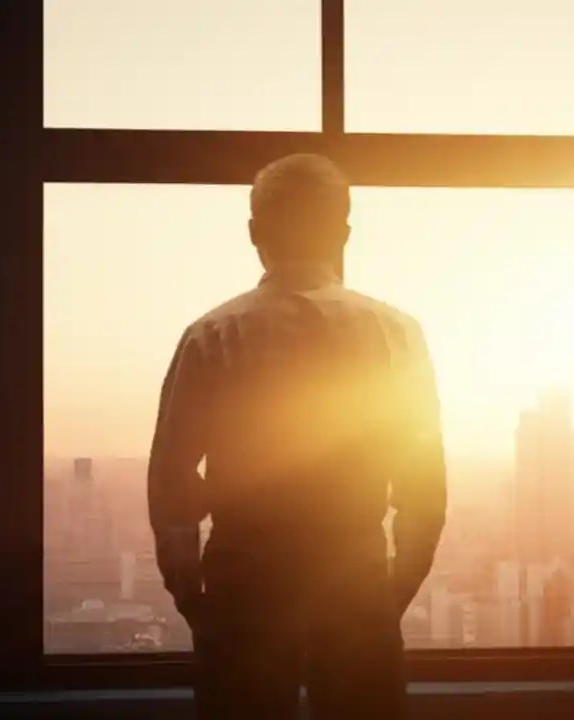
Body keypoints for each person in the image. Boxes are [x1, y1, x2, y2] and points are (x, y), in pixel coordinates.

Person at [148, 153, 447, 719]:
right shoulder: (396, 333)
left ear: (255, 232)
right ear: (343, 233)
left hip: (244, 578)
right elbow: (422, 479)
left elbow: (172, 477)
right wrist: (393, 590)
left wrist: (193, 596)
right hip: (354, 572)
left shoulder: (213, 335)